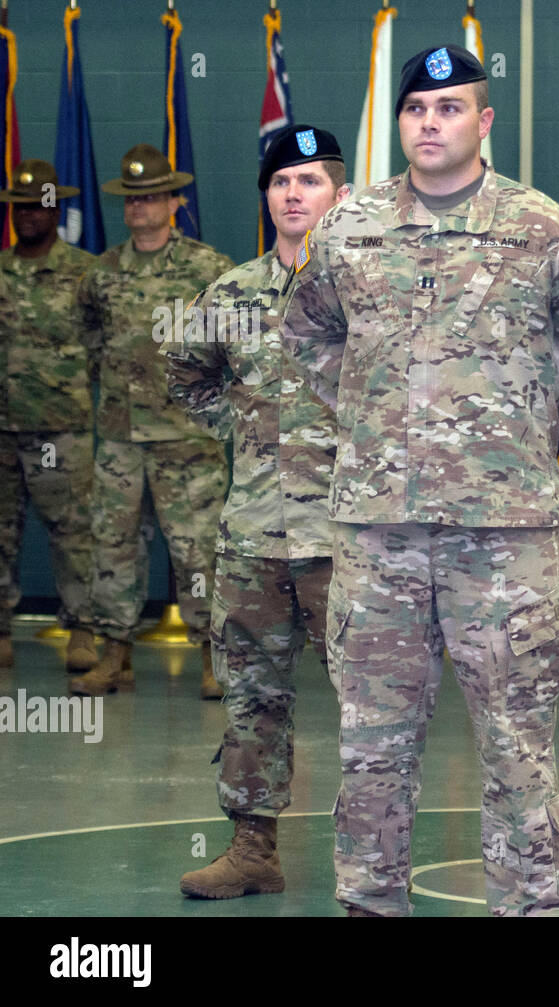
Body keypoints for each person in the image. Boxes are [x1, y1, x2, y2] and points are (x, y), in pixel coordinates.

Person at [280, 44, 559, 917]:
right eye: (416, 110)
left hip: (506, 537)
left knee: (517, 745)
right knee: (374, 745)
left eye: (450, 109)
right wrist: (376, 427)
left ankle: (531, 905)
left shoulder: (541, 228)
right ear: (401, 121)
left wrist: (534, 430)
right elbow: (307, 336)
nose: (430, 124)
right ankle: (370, 903)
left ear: (483, 121)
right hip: (377, 536)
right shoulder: (349, 228)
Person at [165, 125, 349, 898]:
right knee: (252, 695)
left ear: (340, 192)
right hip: (254, 534)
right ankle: (252, 848)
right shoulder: (232, 293)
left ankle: (376, 852)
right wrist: (242, 426)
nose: (294, 194)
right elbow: (185, 371)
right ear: (268, 197)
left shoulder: (366, 291)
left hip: (348, 535)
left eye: (309, 180)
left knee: (375, 702)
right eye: (281, 182)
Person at [72, 144, 233, 700]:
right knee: (112, 544)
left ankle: (214, 658)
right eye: (131, 199)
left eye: (151, 197)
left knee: (198, 550)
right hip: (119, 438)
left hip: (187, 441)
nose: (140, 207)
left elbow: (234, 345)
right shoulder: (102, 273)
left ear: (173, 201)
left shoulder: (207, 269)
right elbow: (91, 337)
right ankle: (113, 654)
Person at [0, 161, 98, 673]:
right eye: (19, 207)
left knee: (72, 533)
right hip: (1, 429)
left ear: (55, 209)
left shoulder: (86, 273)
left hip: (61, 429)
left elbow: (107, 344)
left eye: (37, 205)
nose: (27, 216)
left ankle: (82, 629)